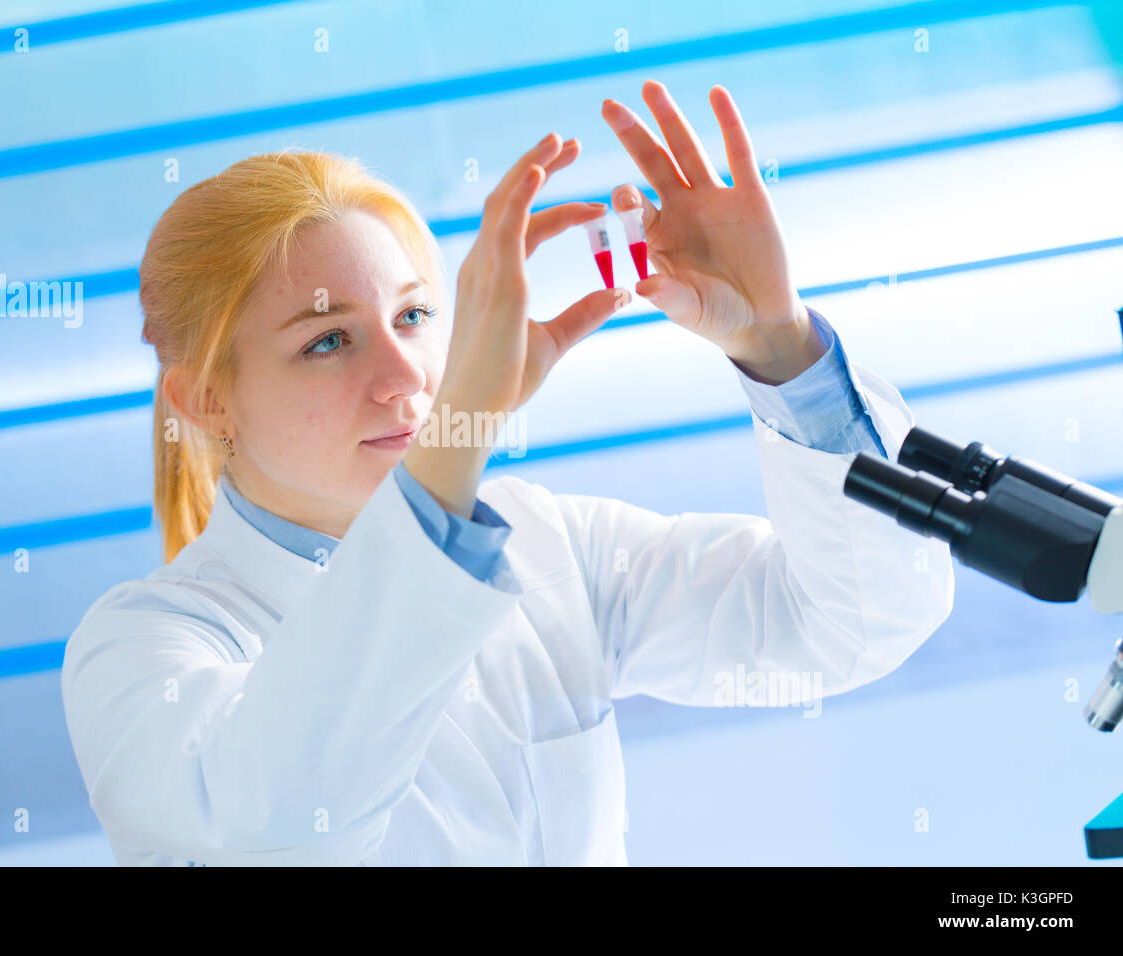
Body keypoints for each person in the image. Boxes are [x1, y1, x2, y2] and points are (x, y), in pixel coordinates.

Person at [60, 80, 954, 866]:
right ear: (206, 400)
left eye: (414, 316)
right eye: (327, 340)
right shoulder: (145, 651)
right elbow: (292, 821)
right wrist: (461, 435)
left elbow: (855, 625)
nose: (405, 377)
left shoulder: (551, 547)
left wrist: (782, 349)